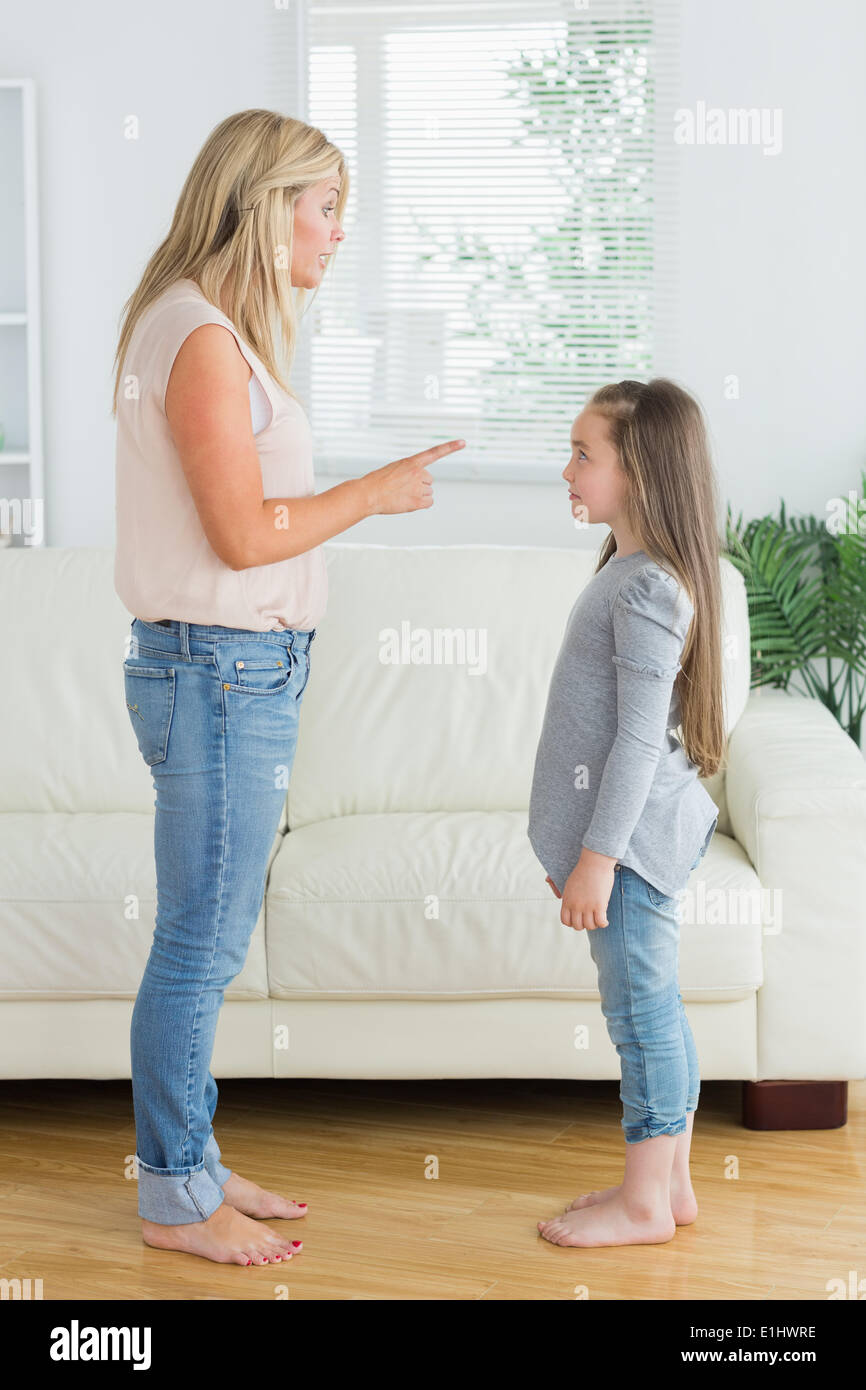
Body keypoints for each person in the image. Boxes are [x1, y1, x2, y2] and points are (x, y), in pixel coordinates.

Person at [111, 108, 464, 1267]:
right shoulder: (200, 338)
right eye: (323, 207)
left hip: (233, 674)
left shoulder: (205, 329)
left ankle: (194, 1163)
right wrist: (377, 493)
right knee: (200, 944)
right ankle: (171, 1194)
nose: (337, 231)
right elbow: (244, 531)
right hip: (219, 674)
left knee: (207, 934)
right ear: (265, 208)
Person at [527, 378, 725, 1248]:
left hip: (634, 850)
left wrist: (597, 857)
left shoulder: (647, 590)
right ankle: (668, 1185)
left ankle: (645, 1205)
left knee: (639, 1014)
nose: (566, 469)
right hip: (636, 843)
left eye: (583, 453)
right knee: (655, 1006)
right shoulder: (631, 569)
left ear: (638, 471)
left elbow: (639, 743)